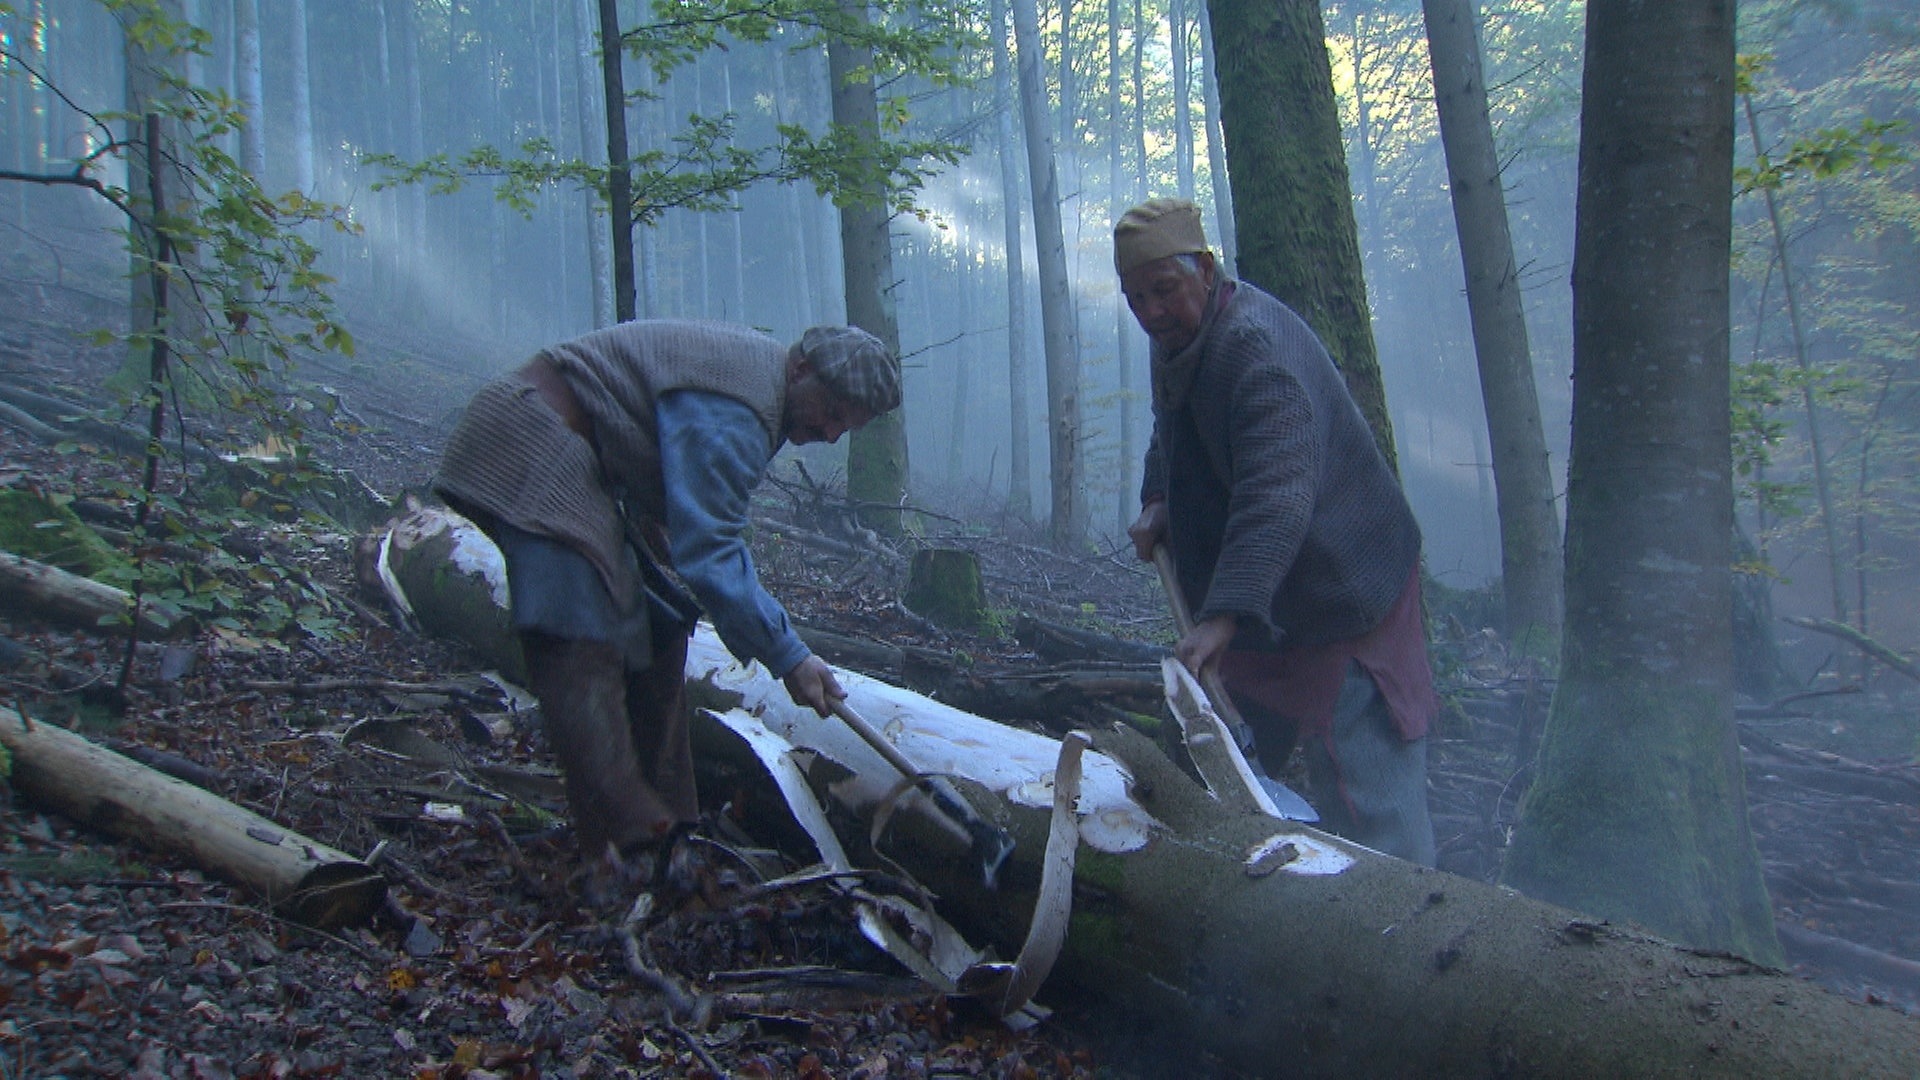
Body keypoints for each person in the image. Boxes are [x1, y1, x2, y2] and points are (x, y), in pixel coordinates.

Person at [434, 320, 900, 896]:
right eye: (831, 411)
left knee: (659, 628)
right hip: (536, 439)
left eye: (843, 427)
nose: (830, 434)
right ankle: (624, 850)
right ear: (801, 368)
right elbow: (711, 548)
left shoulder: (762, 394)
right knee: (580, 638)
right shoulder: (742, 403)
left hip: (587, 462)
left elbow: (673, 498)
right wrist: (789, 655)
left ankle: (674, 838)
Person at [1115, 197, 1438, 865]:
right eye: (1135, 296)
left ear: (1205, 269)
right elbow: (1169, 426)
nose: (1149, 311)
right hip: (1269, 591)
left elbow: (1276, 493)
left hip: (1341, 586)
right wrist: (1157, 499)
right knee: (1223, 746)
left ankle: (1404, 917)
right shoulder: (1179, 335)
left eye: (1163, 291)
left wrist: (1225, 615)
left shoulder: (1257, 355)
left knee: (1363, 779)